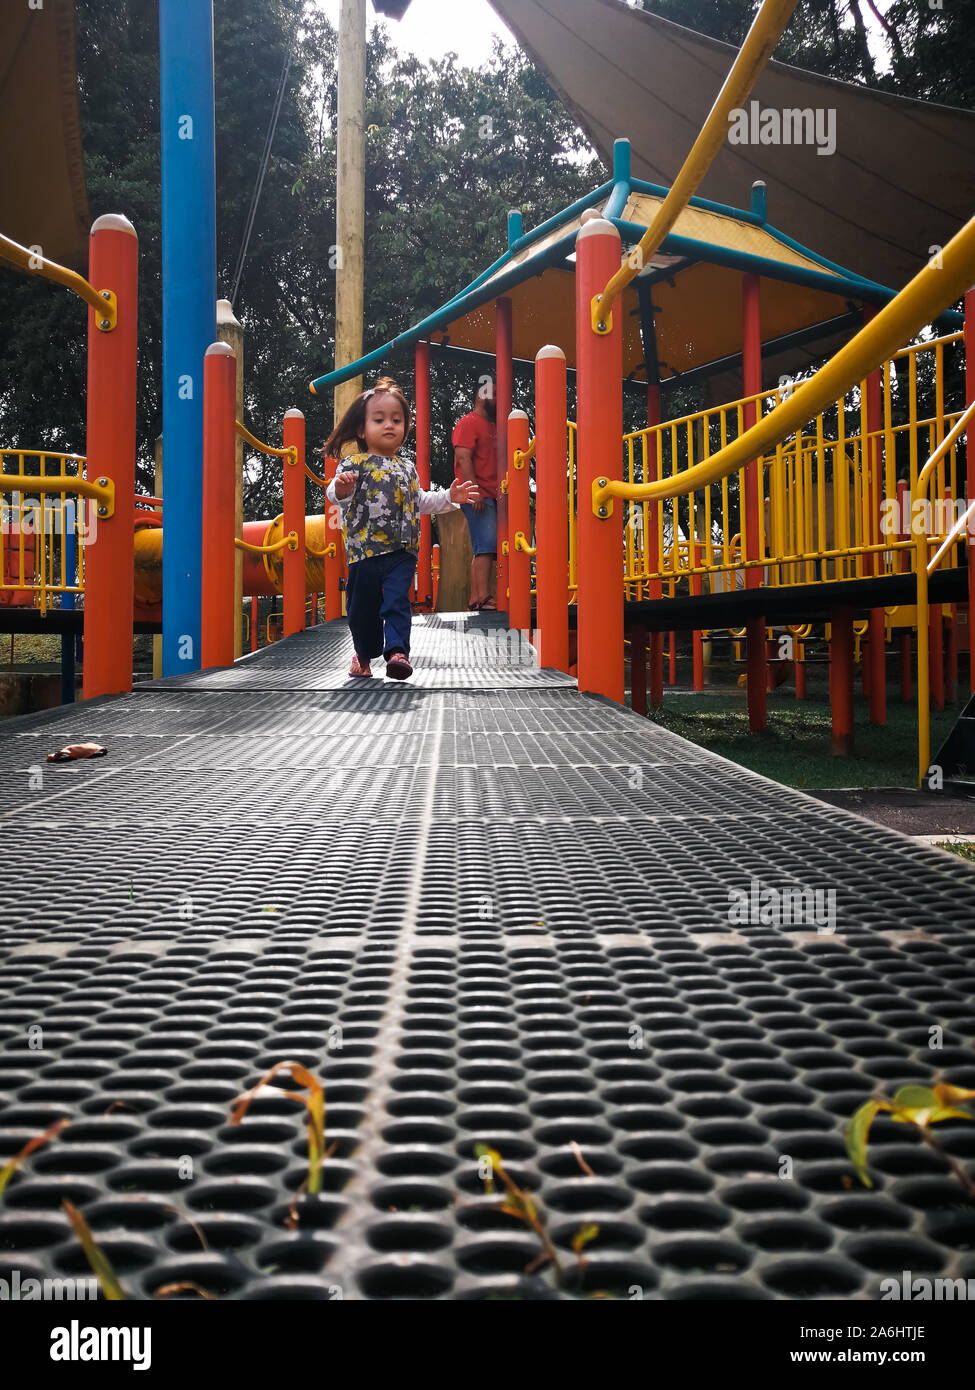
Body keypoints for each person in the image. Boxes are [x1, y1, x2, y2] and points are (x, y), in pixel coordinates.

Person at [324, 377, 479, 680]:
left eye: (397, 420)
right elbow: (335, 497)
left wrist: (449, 497)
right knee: (362, 609)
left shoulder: (407, 468)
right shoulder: (353, 464)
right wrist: (340, 489)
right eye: (379, 419)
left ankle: (398, 652)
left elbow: (419, 500)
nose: (389, 425)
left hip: (401, 552)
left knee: (397, 601)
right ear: (361, 428)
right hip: (364, 552)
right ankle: (364, 654)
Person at [452, 378, 498, 610]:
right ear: (482, 395)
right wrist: (474, 490)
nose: (498, 400)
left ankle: (477, 598)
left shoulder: (493, 426)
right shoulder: (469, 422)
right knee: (486, 545)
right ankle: (481, 597)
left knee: (487, 546)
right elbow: (463, 457)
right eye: (495, 394)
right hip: (478, 493)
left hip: (492, 493)